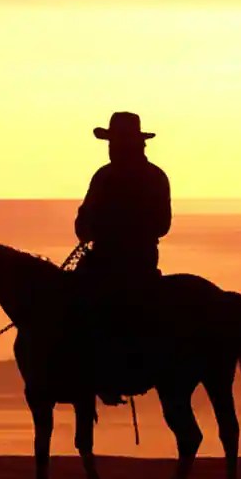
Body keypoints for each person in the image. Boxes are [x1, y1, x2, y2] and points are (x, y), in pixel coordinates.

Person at [73, 112, 172, 405]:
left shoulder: (126, 176)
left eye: (116, 142)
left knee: (94, 307)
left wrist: (106, 226)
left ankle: (105, 373)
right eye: (111, 143)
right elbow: (85, 216)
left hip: (131, 259)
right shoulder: (117, 176)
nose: (111, 148)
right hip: (121, 256)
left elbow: (160, 224)